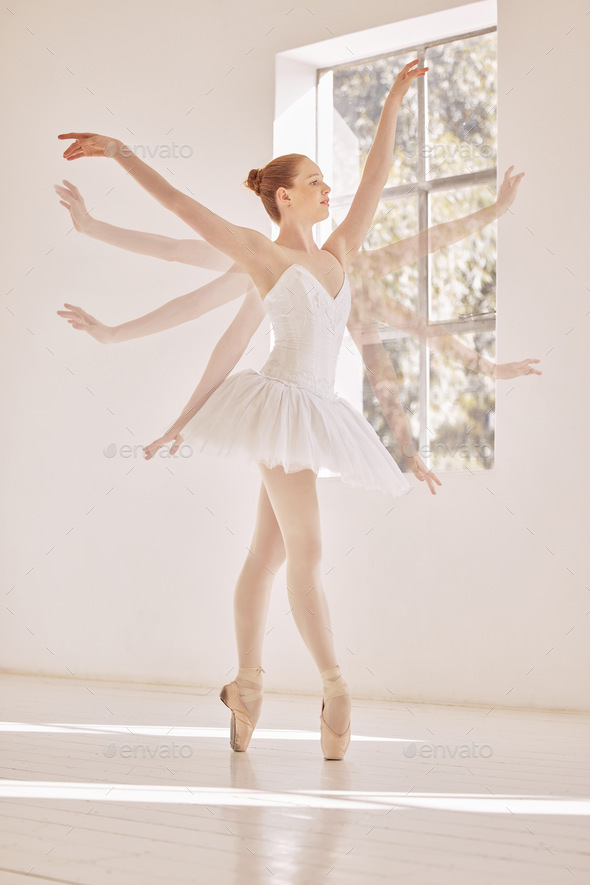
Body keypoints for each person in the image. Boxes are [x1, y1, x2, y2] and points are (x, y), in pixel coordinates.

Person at [56, 58, 527, 761]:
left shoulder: (340, 252)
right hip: (280, 403)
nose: (325, 189)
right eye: (312, 183)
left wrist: (394, 97)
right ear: (281, 199)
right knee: (306, 551)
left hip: (317, 406)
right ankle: (336, 687)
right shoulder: (259, 255)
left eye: (322, 182)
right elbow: (183, 212)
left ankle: (246, 684)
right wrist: (122, 155)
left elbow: (374, 180)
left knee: (269, 551)